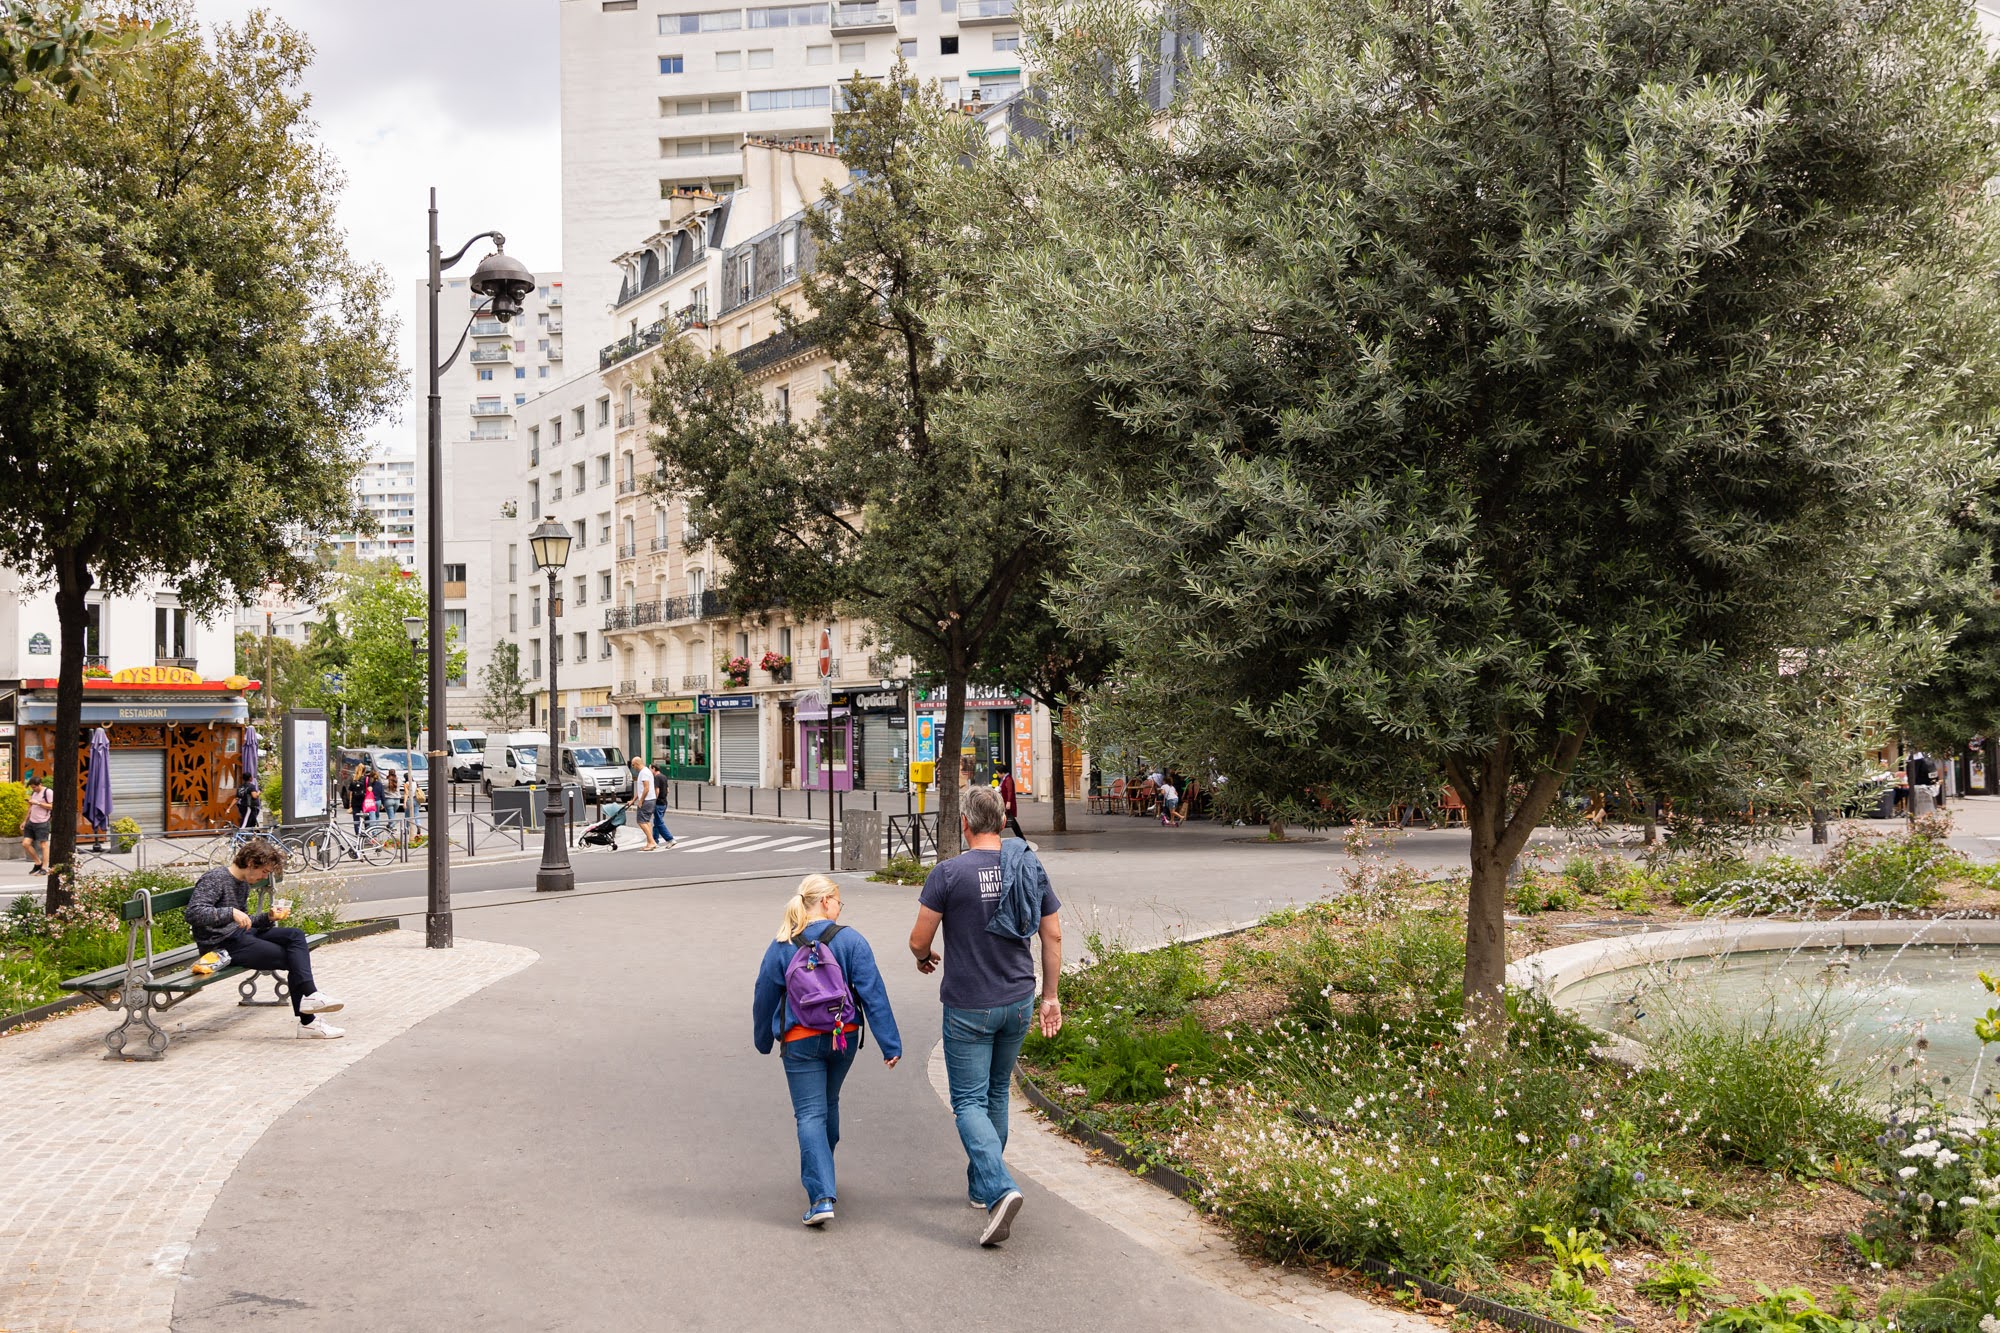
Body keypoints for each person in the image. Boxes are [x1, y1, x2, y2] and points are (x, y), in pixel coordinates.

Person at [909, 785, 1063, 1247]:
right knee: (997, 1091)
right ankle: (981, 1187)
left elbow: (919, 939)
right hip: (1018, 1000)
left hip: (969, 1005)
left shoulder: (948, 873)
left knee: (969, 1102)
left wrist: (923, 956)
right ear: (1000, 822)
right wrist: (1051, 996)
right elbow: (1052, 936)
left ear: (965, 824)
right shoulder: (1029, 867)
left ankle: (999, 1189)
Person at [752, 874, 901, 1227]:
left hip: (800, 1040)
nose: (839, 906)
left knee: (809, 1114)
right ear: (824, 902)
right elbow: (873, 994)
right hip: (842, 1037)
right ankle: (824, 1173)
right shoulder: (851, 941)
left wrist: (763, 1039)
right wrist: (890, 1044)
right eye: (838, 901)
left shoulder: (782, 944)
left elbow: (764, 994)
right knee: (828, 1103)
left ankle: (821, 1197)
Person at [185, 838, 345, 1039]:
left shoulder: (241, 883)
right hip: (221, 945)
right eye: (264, 872)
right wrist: (231, 912)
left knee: (295, 935)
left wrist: (268, 917)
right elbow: (194, 913)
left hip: (240, 934)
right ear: (251, 863)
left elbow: (244, 920)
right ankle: (309, 1021)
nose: (264, 877)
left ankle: (311, 998)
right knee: (292, 958)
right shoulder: (215, 878)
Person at [20, 775, 52, 874]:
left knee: (43, 845)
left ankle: (45, 867)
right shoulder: (34, 793)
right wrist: (25, 821)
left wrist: (38, 803)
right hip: (31, 822)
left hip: (42, 822)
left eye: (34, 787)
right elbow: (30, 807)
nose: (33, 789)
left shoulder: (48, 792)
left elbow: (52, 806)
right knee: (25, 844)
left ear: (40, 784)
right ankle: (37, 863)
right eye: (32, 787)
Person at [629, 755, 660, 850]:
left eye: (633, 765)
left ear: (637, 764)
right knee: (646, 821)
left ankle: (652, 842)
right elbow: (641, 790)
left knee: (641, 821)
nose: (633, 767)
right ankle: (650, 842)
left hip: (647, 800)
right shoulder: (645, 772)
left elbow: (646, 788)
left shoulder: (644, 773)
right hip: (649, 800)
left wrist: (641, 801)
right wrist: (633, 800)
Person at [649, 760, 676, 848]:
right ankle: (655, 841)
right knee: (656, 822)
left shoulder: (656, 778)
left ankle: (670, 839)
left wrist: (654, 800)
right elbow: (667, 790)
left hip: (658, 803)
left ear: (653, 769)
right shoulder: (664, 777)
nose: (649, 771)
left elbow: (657, 790)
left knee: (659, 822)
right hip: (664, 802)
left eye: (650, 769)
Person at [997, 770, 1026, 842]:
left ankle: (1020, 836)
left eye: (997, 773)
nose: (997, 775)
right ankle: (1020, 836)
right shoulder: (1005, 779)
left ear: (1001, 772)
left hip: (1007, 803)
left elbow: (1010, 791)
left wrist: (1009, 802)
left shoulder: (1008, 779)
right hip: (1005, 802)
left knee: (1010, 820)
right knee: (1011, 820)